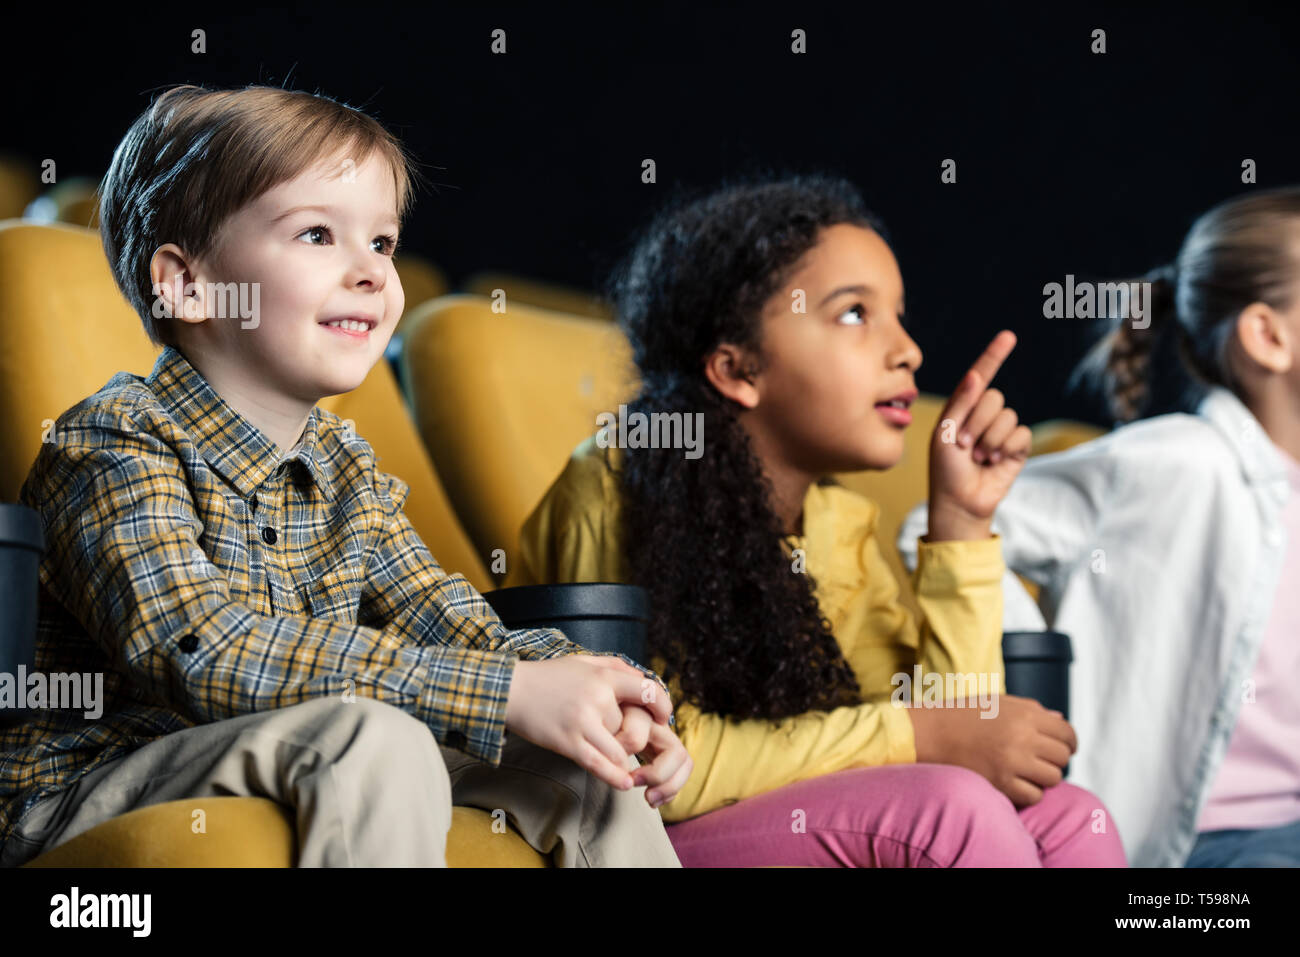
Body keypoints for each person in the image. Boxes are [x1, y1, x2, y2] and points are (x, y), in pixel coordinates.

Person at [0, 83, 688, 868]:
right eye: (318, 234)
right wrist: (503, 693)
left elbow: (449, 622)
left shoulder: (343, 464)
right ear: (187, 283)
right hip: (82, 789)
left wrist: (603, 693)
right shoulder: (112, 441)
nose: (370, 272)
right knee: (373, 734)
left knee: (591, 772)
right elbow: (199, 650)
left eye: (384, 243)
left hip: (287, 746)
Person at [507, 174, 1126, 866]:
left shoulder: (842, 527)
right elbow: (653, 764)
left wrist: (961, 520)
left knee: (1074, 817)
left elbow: (960, 731)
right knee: (954, 811)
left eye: (900, 314)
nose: (909, 351)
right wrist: (917, 735)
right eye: (856, 314)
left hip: (788, 822)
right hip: (637, 829)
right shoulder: (620, 480)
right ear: (737, 369)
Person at [900, 186, 1300, 867]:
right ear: (1268, 335)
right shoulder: (1181, 461)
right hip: (1206, 843)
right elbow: (928, 526)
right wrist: (1039, 671)